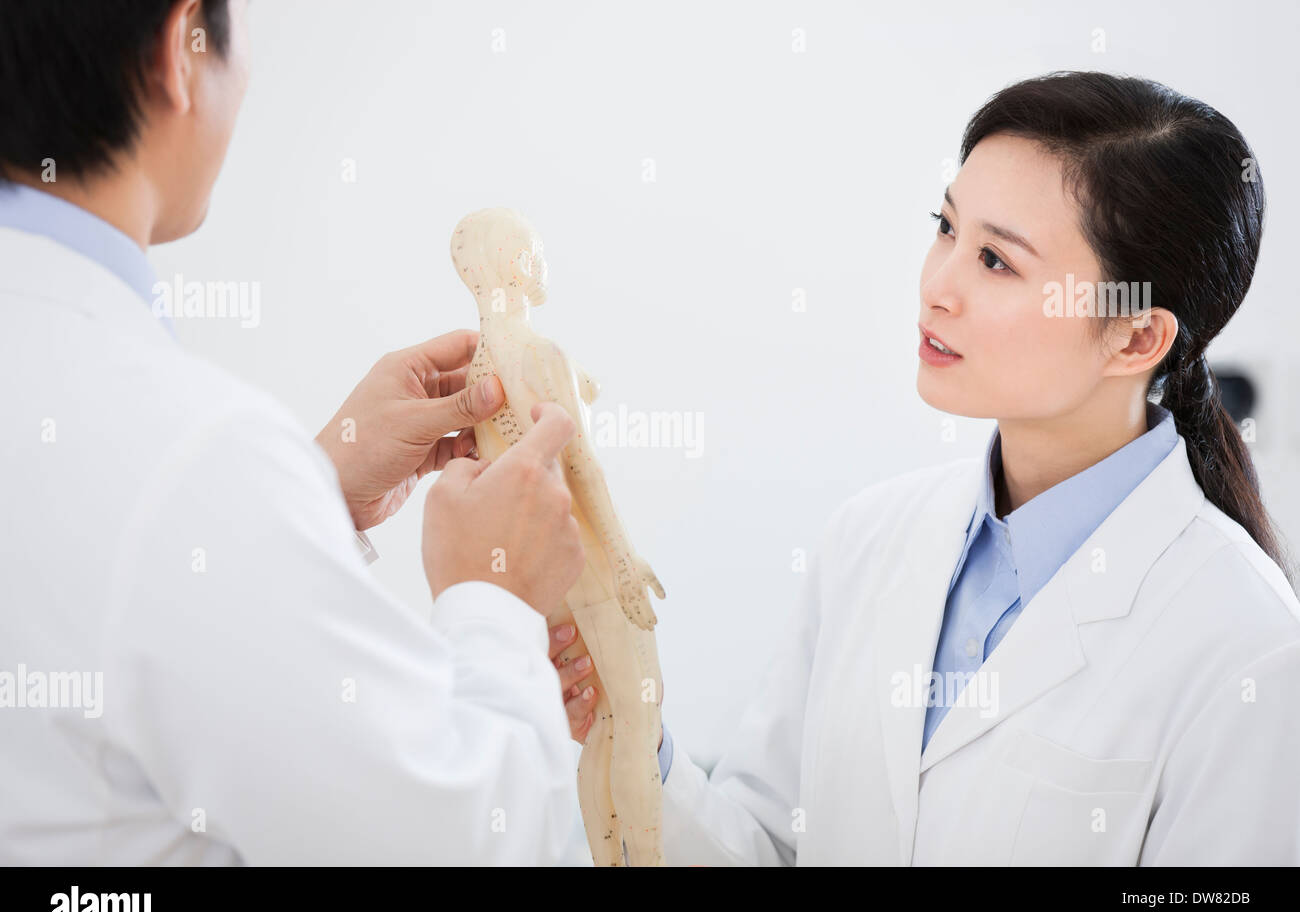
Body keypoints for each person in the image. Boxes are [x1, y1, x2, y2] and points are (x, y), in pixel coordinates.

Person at [551, 71, 1300, 865]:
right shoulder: (867, 538)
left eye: (996, 262)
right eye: (944, 227)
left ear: (1136, 338)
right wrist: (634, 733)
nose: (937, 287)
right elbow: (768, 847)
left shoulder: (1248, 650)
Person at [0, 0, 586, 864]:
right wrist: (493, 598)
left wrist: (305, 495)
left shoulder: (154, 443)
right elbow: (456, 840)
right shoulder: (195, 456)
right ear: (180, 48)